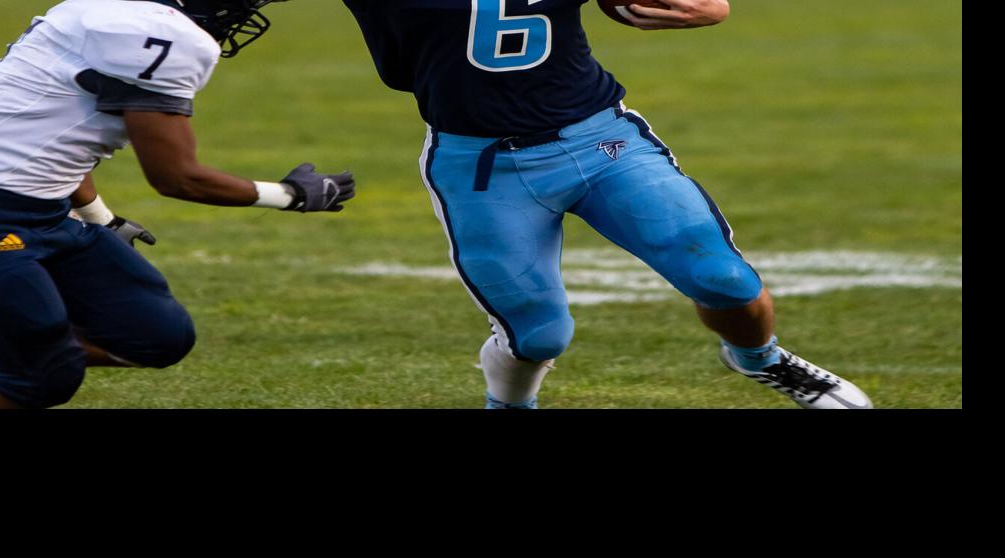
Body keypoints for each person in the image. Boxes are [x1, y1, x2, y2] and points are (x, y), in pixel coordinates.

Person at [342, 0, 872, 409]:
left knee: (724, 280)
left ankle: (761, 359)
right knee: (537, 335)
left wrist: (708, 7)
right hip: (481, 166)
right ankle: (509, 404)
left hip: (602, 142)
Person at [0, 0, 355, 409]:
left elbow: (58, 133)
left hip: (42, 211)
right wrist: (291, 196)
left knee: (156, 335)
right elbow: (177, 178)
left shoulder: (91, 12)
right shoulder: (169, 37)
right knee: (45, 375)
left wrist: (101, 219)